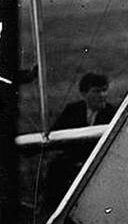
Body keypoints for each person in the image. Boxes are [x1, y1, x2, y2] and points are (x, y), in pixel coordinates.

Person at [41, 72, 117, 211]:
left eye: (104, 90)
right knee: (56, 166)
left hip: (100, 161)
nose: (102, 95)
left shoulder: (114, 113)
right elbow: (56, 134)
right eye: (96, 91)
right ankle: (52, 210)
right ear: (84, 93)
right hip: (74, 159)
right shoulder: (73, 110)